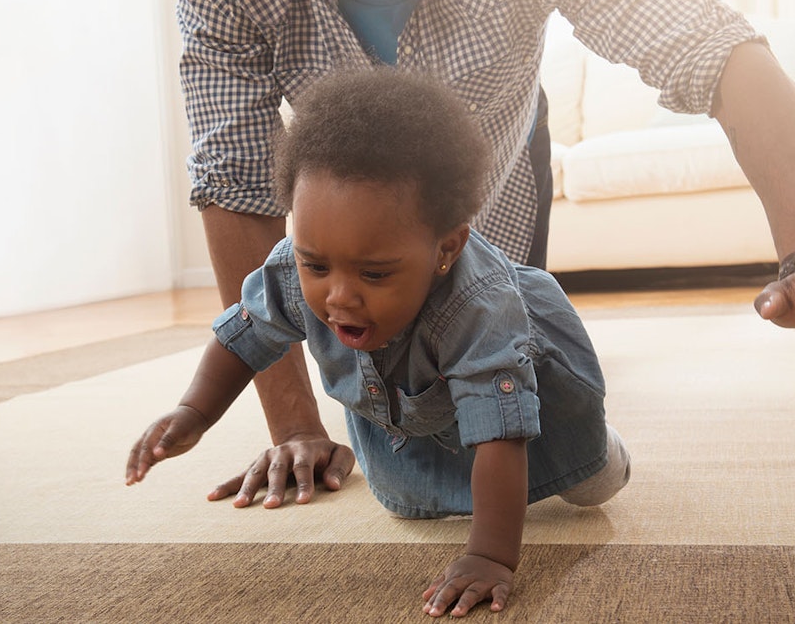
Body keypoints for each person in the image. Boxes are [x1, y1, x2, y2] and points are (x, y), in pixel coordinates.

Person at [177, 0, 795, 568]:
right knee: (415, 425)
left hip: (498, 176)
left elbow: (714, 47)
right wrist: (296, 427)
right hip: (360, 218)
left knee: (510, 366)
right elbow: (235, 176)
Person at [128, 68, 632, 617]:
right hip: (413, 407)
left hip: (528, 398)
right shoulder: (296, 273)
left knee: (590, 481)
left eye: (373, 274)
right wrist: (194, 411)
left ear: (445, 248)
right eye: (317, 263)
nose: (339, 297)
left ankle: (602, 445)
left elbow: (501, 439)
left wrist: (490, 556)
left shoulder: (480, 306)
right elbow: (243, 335)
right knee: (410, 505)